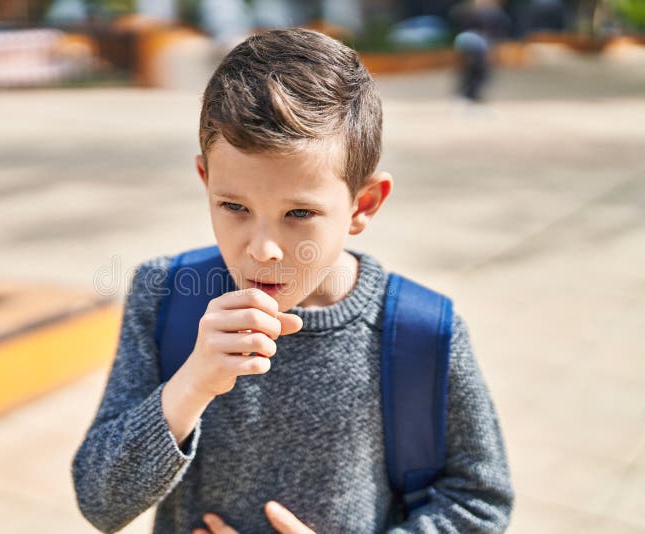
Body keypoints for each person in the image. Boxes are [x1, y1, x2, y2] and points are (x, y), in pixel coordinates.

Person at [71, 28, 514, 533]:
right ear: (205, 181)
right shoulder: (163, 296)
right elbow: (98, 502)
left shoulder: (422, 332)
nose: (262, 249)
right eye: (234, 206)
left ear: (363, 205)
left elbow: (478, 500)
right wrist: (192, 384)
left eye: (299, 212)